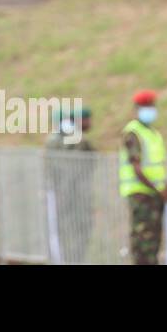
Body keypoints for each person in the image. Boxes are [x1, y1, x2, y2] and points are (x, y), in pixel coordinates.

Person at [119, 89, 167, 265]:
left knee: (153, 245)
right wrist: (158, 189)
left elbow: (157, 168)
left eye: (151, 106)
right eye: (145, 106)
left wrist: (165, 185)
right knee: (143, 245)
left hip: (154, 195)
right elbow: (137, 168)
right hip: (141, 195)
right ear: (137, 108)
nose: (150, 110)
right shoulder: (133, 133)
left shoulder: (153, 133)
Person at [46, 106, 94, 263]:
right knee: (64, 230)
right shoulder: (55, 141)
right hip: (64, 194)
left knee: (80, 230)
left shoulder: (76, 138)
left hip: (77, 194)